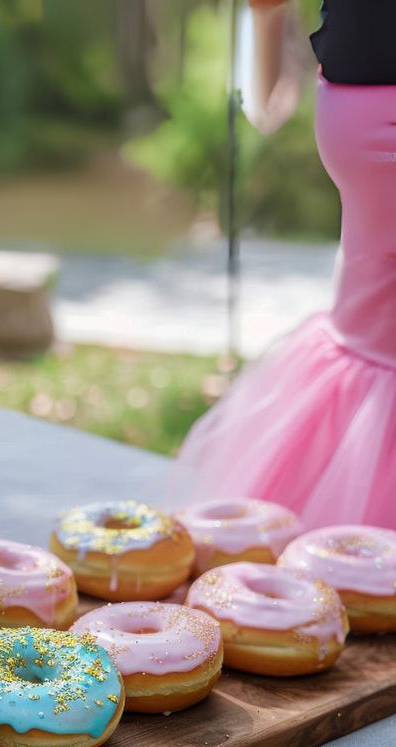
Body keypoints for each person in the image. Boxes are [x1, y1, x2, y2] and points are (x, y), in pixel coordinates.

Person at [175, 0, 396, 528]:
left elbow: (265, 102)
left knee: (369, 332)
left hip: (359, 101)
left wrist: (267, 26)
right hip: (361, 99)